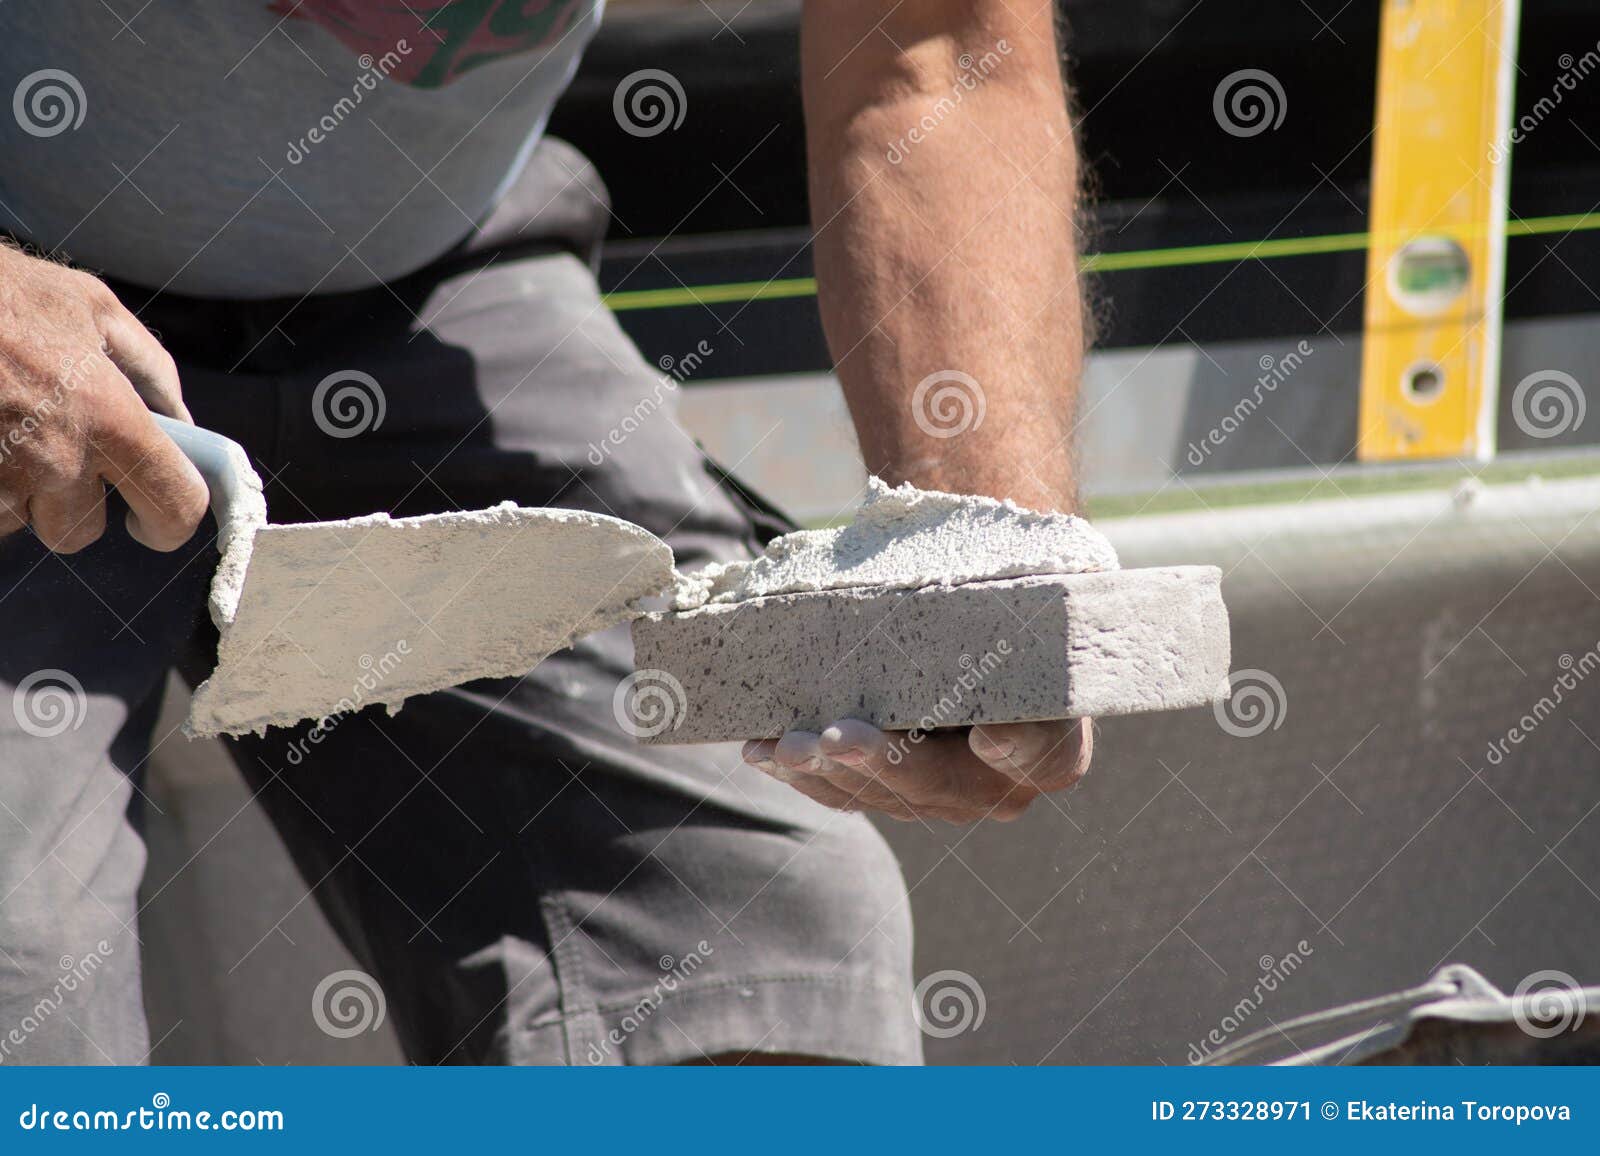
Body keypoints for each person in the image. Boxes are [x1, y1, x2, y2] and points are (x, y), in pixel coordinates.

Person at [0, 0, 1091, 1065]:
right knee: (22, 979)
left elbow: (936, 49)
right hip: (21, 264)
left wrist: (979, 556)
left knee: (756, 947)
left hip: (428, 253)